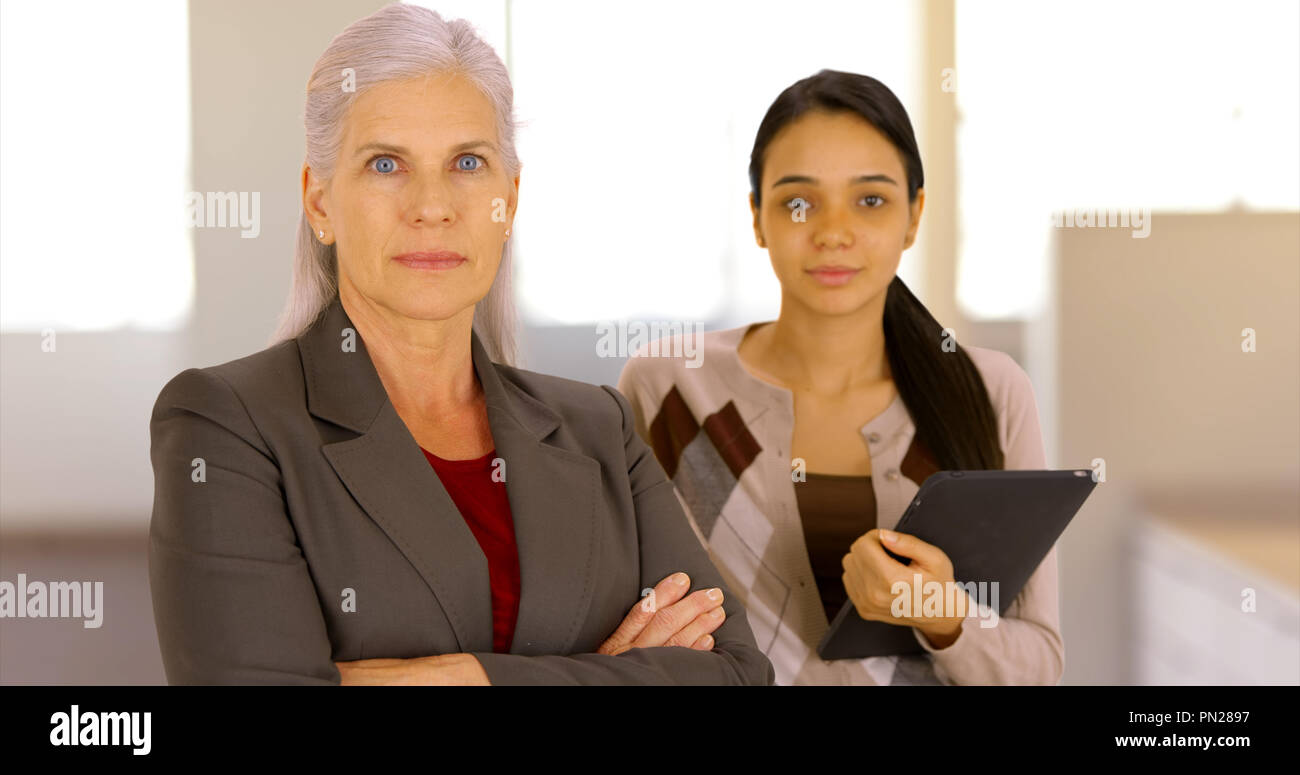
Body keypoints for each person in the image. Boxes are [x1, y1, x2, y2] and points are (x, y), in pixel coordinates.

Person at [147, 3, 774, 686]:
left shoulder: (598, 429)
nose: (433, 205)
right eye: (386, 163)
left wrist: (465, 678)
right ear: (320, 201)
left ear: (510, 196)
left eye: (467, 162)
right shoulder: (226, 425)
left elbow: (739, 673)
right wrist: (604, 672)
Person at [616, 69, 1064, 685]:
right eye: (799, 202)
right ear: (757, 218)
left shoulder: (989, 392)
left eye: (871, 200)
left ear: (914, 216)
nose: (832, 232)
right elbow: (625, 623)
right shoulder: (669, 389)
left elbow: (1038, 666)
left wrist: (936, 611)